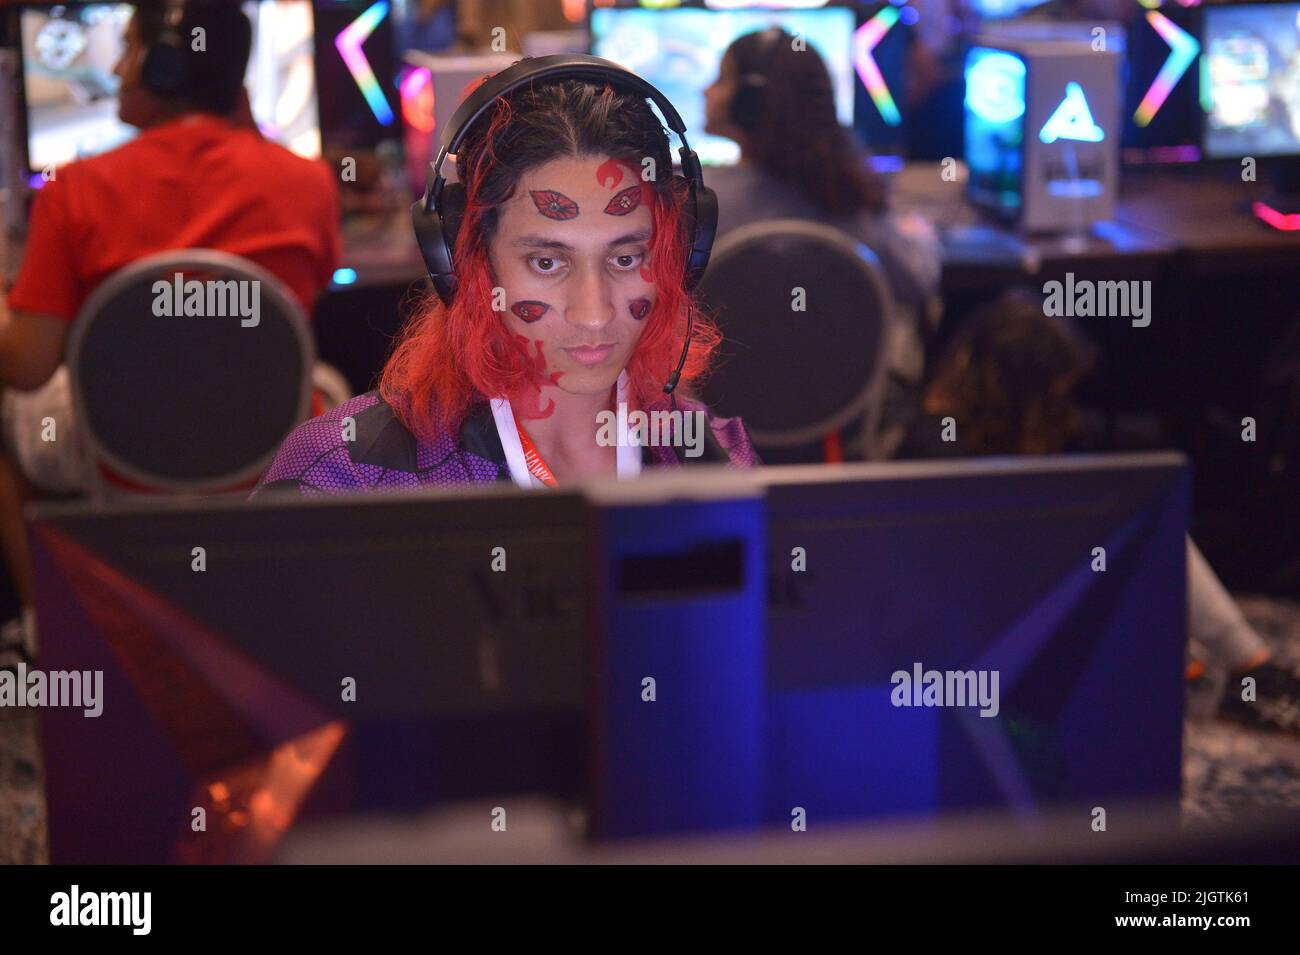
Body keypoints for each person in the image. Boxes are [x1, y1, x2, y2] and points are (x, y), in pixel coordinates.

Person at [0, 0, 341, 665]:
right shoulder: (310, 185)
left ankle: (48, 629)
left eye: (127, 51)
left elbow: (28, 367)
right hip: (268, 457)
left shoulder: (76, 190)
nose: (119, 68)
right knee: (329, 380)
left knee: (9, 426)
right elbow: (287, 323)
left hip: (122, 462)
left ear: (161, 64)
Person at [256, 61, 757, 496]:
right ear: (469, 261)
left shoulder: (711, 458)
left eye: (625, 258)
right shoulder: (345, 474)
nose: (594, 312)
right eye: (547, 262)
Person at [896, 289, 1300, 736]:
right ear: (1013, 389)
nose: (1061, 412)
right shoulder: (935, 451)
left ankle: (1249, 665)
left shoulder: (1004, 426)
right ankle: (1225, 668)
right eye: (1051, 397)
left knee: (1146, 512)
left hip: (1025, 602)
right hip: (970, 631)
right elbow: (969, 577)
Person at [702, 26, 942, 459]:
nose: (706, 91)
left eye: (720, 79)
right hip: (839, 439)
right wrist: (918, 230)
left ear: (752, 101)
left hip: (714, 442)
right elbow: (919, 279)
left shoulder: (697, 206)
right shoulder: (849, 202)